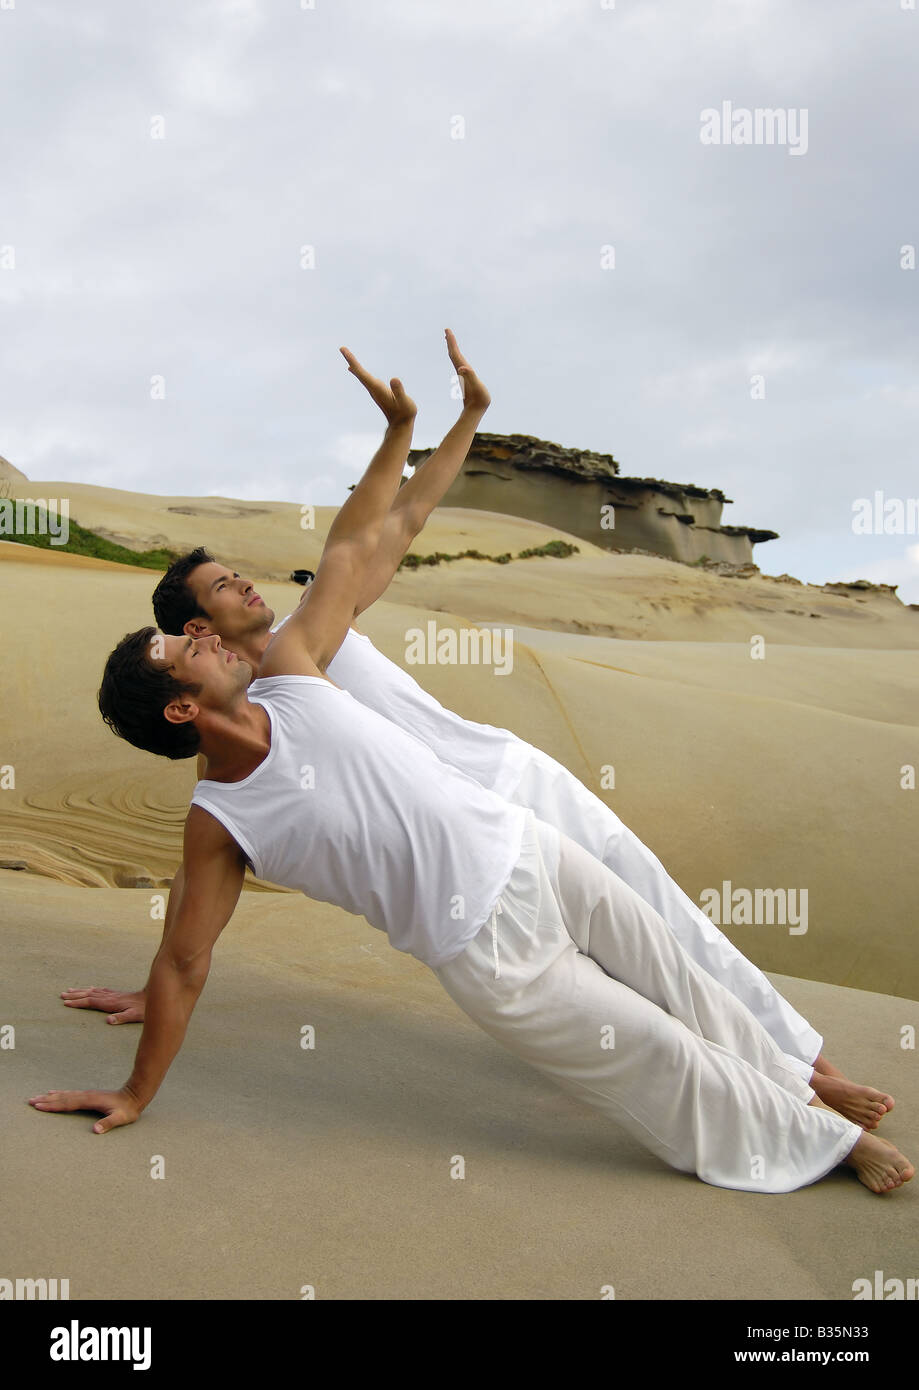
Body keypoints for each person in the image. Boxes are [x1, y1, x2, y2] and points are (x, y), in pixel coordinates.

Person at [31, 346, 912, 1195]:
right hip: (478, 937)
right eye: (192, 624)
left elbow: (363, 538)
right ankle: (823, 1139)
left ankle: (803, 1078)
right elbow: (189, 943)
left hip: (521, 830)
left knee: (681, 960)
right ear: (181, 698)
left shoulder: (298, 657)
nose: (215, 622)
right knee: (652, 1049)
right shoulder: (224, 805)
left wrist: (408, 428)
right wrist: (140, 1080)